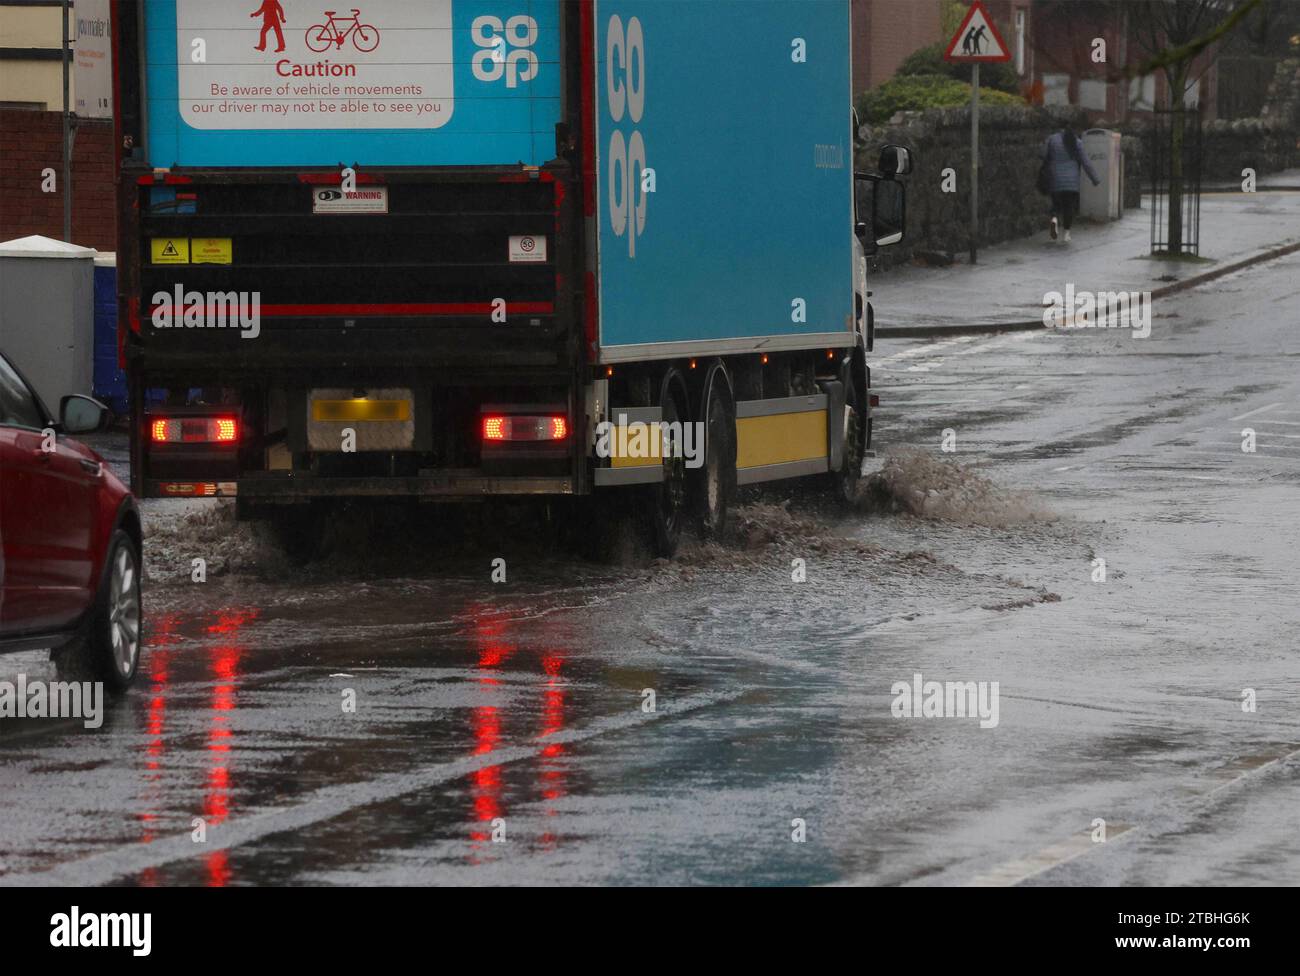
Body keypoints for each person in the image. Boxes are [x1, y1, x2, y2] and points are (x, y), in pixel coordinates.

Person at [1039, 125, 1101, 242]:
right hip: (1072, 182)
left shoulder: (1052, 139)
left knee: (1056, 205)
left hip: (1055, 179)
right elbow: (1086, 162)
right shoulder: (1077, 142)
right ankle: (1067, 234)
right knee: (1068, 208)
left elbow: (1042, 153)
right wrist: (1095, 178)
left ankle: (1054, 222)